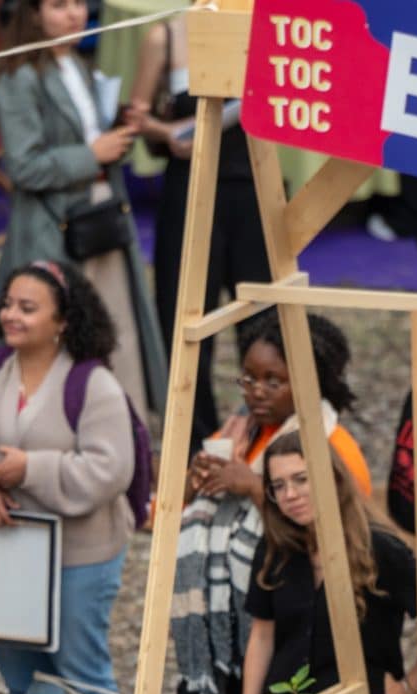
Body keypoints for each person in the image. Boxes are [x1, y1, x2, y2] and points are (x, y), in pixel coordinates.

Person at [0, 260, 135, 694]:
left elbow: (111, 470)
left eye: (28, 307)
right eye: (7, 305)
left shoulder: (93, 385)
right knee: (25, 684)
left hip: (80, 559)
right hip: (3, 555)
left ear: (62, 321)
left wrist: (31, 468)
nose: (11, 315)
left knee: (84, 680)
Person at [173, 311, 373, 694]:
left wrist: (253, 487)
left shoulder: (334, 448)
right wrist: (196, 477)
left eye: (273, 381)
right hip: (216, 624)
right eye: (248, 379)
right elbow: (169, 514)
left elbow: (342, 542)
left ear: (308, 379)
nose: (256, 393)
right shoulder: (239, 431)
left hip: (283, 631)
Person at [0, 0, 167, 417]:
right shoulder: (19, 78)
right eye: (58, 5)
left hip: (100, 214)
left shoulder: (81, 67)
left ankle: (120, 433)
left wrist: (120, 128)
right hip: (56, 228)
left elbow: (89, 136)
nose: (73, 15)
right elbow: (23, 165)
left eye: (77, 4)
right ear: (32, 14)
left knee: (113, 330)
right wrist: (91, 154)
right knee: (59, 340)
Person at [239, 434, 417, 694]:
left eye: (301, 479)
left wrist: (410, 686)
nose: (290, 495)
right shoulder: (275, 548)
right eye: (278, 486)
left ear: (331, 477)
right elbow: (262, 635)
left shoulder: (380, 549)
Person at [127, 13, 271, 449]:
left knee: (267, 322)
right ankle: (191, 450)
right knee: (185, 323)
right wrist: (167, 131)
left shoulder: (266, 26)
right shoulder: (166, 35)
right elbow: (135, 116)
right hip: (189, 191)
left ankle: (268, 440)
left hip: (253, 190)